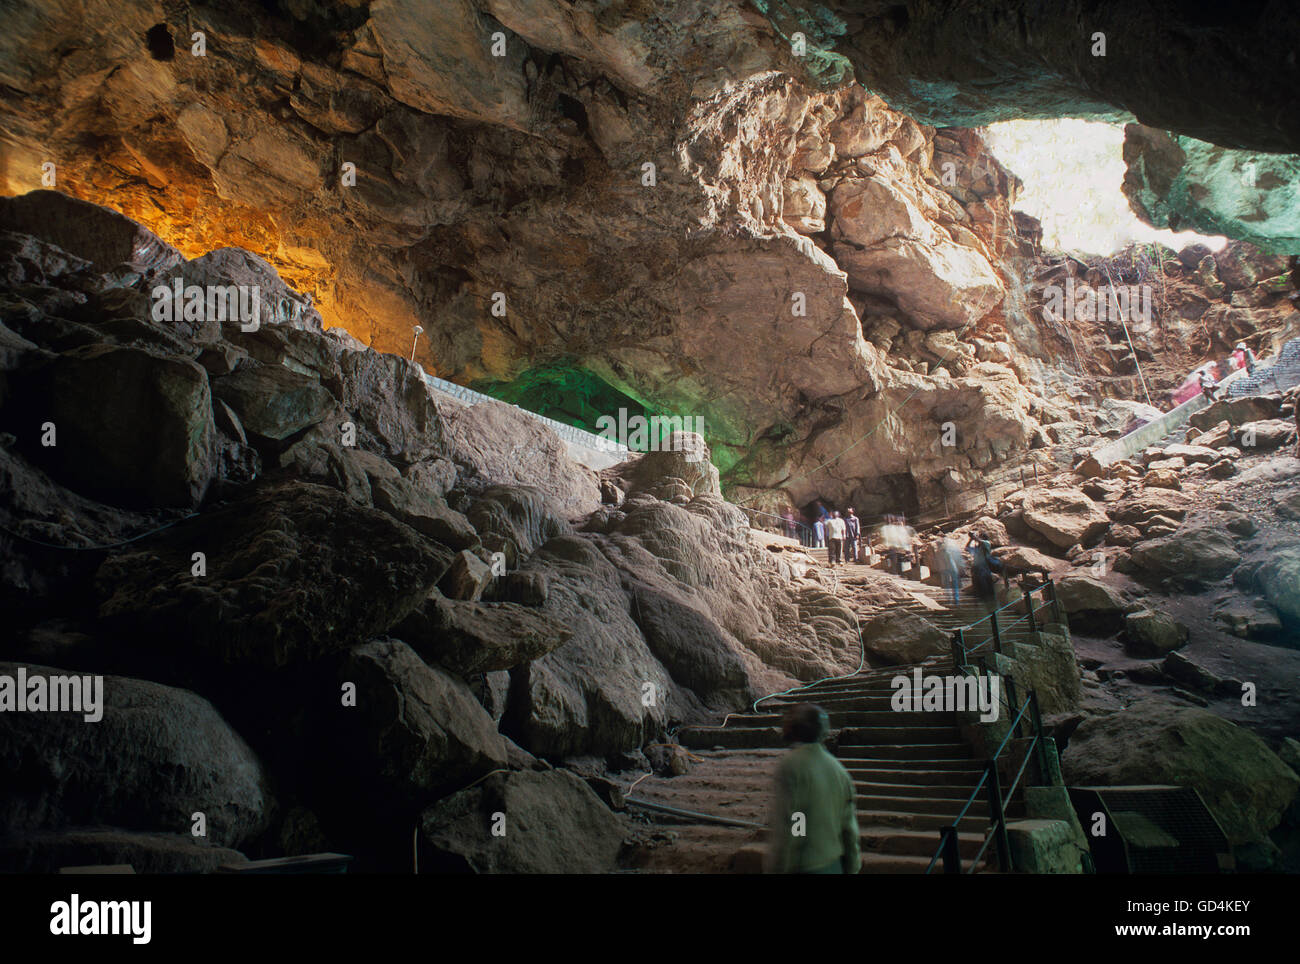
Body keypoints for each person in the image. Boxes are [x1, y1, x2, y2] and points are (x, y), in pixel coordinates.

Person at [765, 704, 861, 875]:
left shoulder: (791, 766)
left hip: (804, 866)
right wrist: (852, 866)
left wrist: (781, 864)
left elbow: (796, 818)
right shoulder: (838, 770)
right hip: (833, 865)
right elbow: (849, 828)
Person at [938, 536, 964, 605]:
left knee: (948, 585)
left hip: (947, 569)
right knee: (953, 584)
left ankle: (950, 599)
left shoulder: (941, 552)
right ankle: (955, 600)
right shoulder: (947, 551)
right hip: (951, 569)